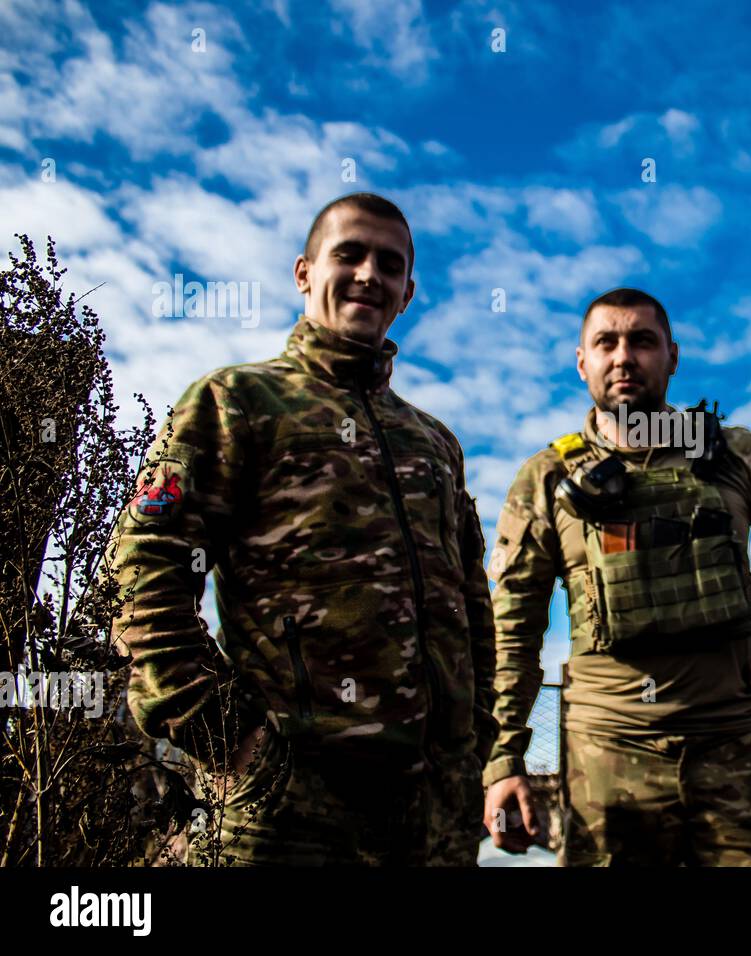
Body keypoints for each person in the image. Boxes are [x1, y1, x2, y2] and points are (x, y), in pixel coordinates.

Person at [109, 192, 496, 865]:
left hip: (438, 812)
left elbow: (472, 600)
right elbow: (143, 567)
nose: (370, 274)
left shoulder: (434, 442)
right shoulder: (235, 402)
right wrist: (226, 734)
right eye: (349, 254)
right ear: (304, 272)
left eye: (390, 263)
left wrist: (480, 732)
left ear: (406, 293)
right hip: (291, 812)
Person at [481, 287, 751, 865]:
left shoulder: (740, 456)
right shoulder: (547, 478)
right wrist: (504, 761)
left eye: (642, 341)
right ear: (582, 361)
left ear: (673, 356)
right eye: (605, 342)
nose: (624, 357)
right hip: (607, 759)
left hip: (734, 745)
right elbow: (511, 629)